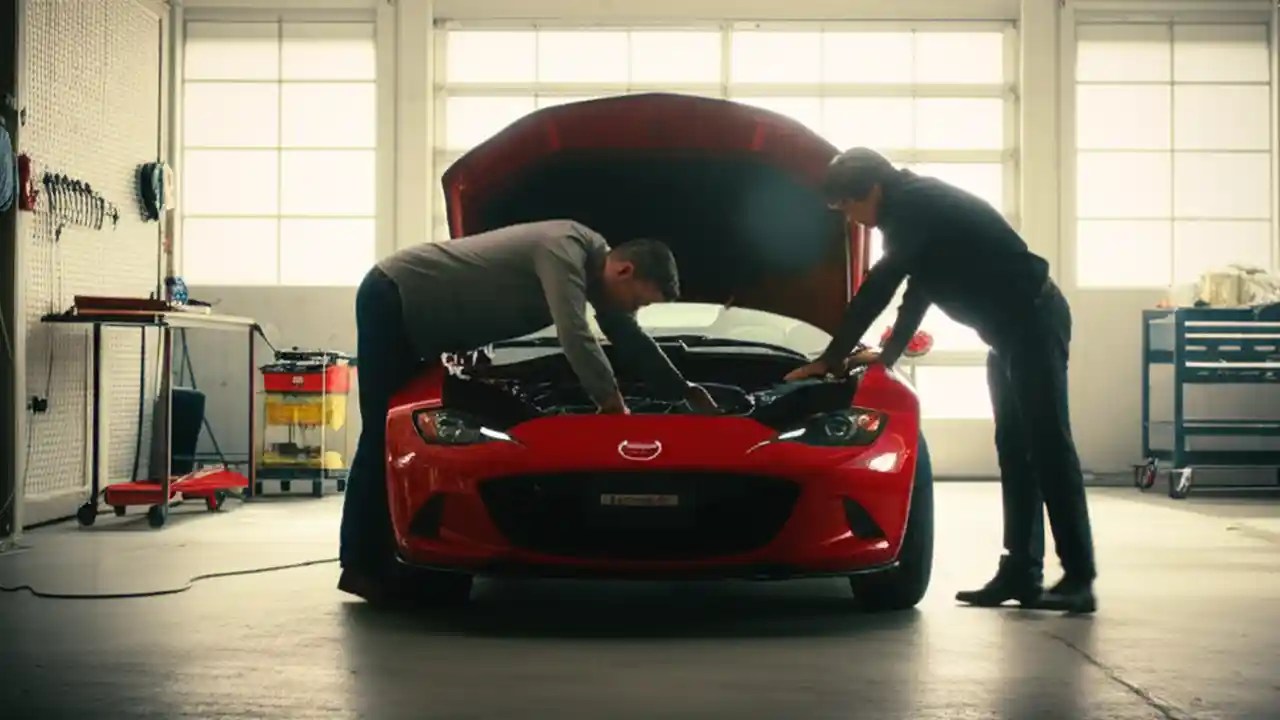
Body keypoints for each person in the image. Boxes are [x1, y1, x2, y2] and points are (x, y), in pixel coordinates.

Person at [338, 219, 718, 604]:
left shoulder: (598, 274)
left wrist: (683, 390)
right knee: (381, 433)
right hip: (394, 296)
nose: (636, 310)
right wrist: (611, 405)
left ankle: (388, 560)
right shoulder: (563, 247)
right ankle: (359, 566)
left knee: (387, 433)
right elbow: (574, 333)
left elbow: (630, 338)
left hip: (423, 322)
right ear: (624, 270)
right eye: (640, 301)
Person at [785, 148, 1097, 614]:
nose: (854, 220)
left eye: (849, 207)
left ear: (871, 190)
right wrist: (885, 357)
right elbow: (919, 289)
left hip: (1034, 321)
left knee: (1049, 443)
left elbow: (882, 283)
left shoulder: (915, 205)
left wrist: (832, 357)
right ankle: (1020, 572)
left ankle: (1079, 577)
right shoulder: (908, 214)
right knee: (1014, 447)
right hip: (1008, 333)